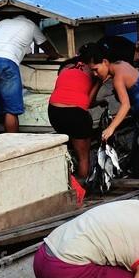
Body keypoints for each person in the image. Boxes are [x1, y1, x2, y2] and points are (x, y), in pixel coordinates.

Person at [90, 46, 139, 178]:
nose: (95, 74)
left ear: (105, 61)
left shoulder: (118, 78)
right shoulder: (121, 64)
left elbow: (125, 105)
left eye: (96, 70)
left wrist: (110, 129)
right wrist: (101, 79)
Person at [0, 14, 59, 136]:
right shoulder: (31, 25)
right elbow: (47, 47)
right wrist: (56, 56)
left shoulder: (2, 22)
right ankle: (13, 142)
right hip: (7, 62)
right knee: (11, 110)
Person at [49, 43, 102, 181]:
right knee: (83, 156)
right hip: (76, 114)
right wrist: (98, 83)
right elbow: (89, 103)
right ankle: (82, 191)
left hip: (54, 111)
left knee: (69, 145)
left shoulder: (65, 67)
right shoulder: (93, 70)